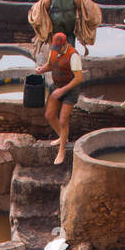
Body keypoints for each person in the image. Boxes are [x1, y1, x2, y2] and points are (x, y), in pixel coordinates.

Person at [37, 31, 83, 165]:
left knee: (63, 120)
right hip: (56, 86)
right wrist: (42, 69)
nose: (57, 51)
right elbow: (50, 65)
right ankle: (63, 137)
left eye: (59, 48)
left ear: (66, 44)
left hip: (69, 89)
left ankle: (62, 151)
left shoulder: (73, 55)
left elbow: (79, 78)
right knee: (50, 115)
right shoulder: (54, 51)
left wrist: (62, 90)